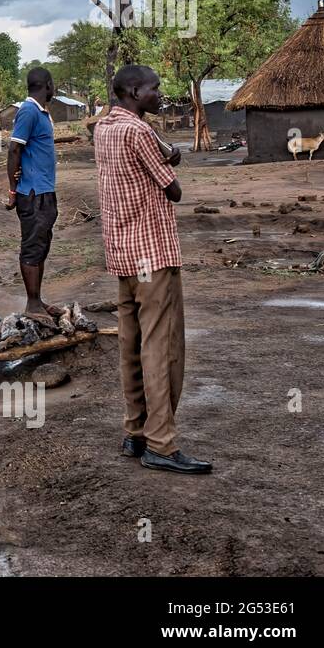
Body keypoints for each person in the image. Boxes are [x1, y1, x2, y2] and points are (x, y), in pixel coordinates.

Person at [94, 65, 211, 475]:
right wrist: (172, 160)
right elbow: (174, 191)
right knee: (160, 347)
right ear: (132, 90)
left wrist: (167, 154)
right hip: (153, 254)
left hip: (123, 254)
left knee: (131, 343)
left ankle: (135, 432)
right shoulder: (141, 133)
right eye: (153, 88)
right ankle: (161, 443)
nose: (159, 94)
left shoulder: (104, 128)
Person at [6, 67, 61, 322]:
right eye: (53, 85)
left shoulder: (41, 113)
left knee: (41, 246)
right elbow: (14, 149)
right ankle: (32, 303)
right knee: (32, 247)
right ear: (47, 85)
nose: (54, 89)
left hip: (44, 191)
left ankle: (38, 300)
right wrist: (12, 189)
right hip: (33, 193)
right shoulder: (28, 110)